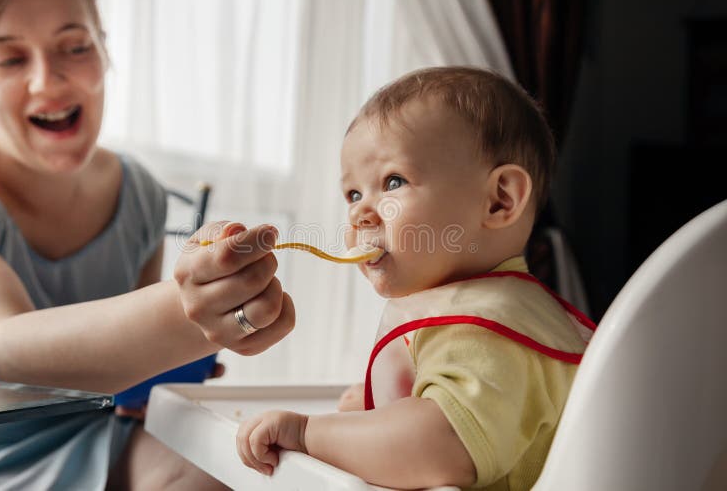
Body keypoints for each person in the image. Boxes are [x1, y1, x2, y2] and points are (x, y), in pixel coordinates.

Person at [0, 0, 294, 489]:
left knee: (230, 476)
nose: (46, 81)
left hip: (92, 434)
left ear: (104, 52)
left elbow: (126, 379)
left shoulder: (139, 195)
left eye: (75, 47)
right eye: (9, 59)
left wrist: (155, 380)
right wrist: (187, 316)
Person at [236, 66, 597, 490]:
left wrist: (309, 434)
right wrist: (374, 415)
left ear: (500, 201)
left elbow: (440, 444)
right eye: (353, 193)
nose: (359, 212)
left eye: (393, 181)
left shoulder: (488, 328)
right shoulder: (495, 307)